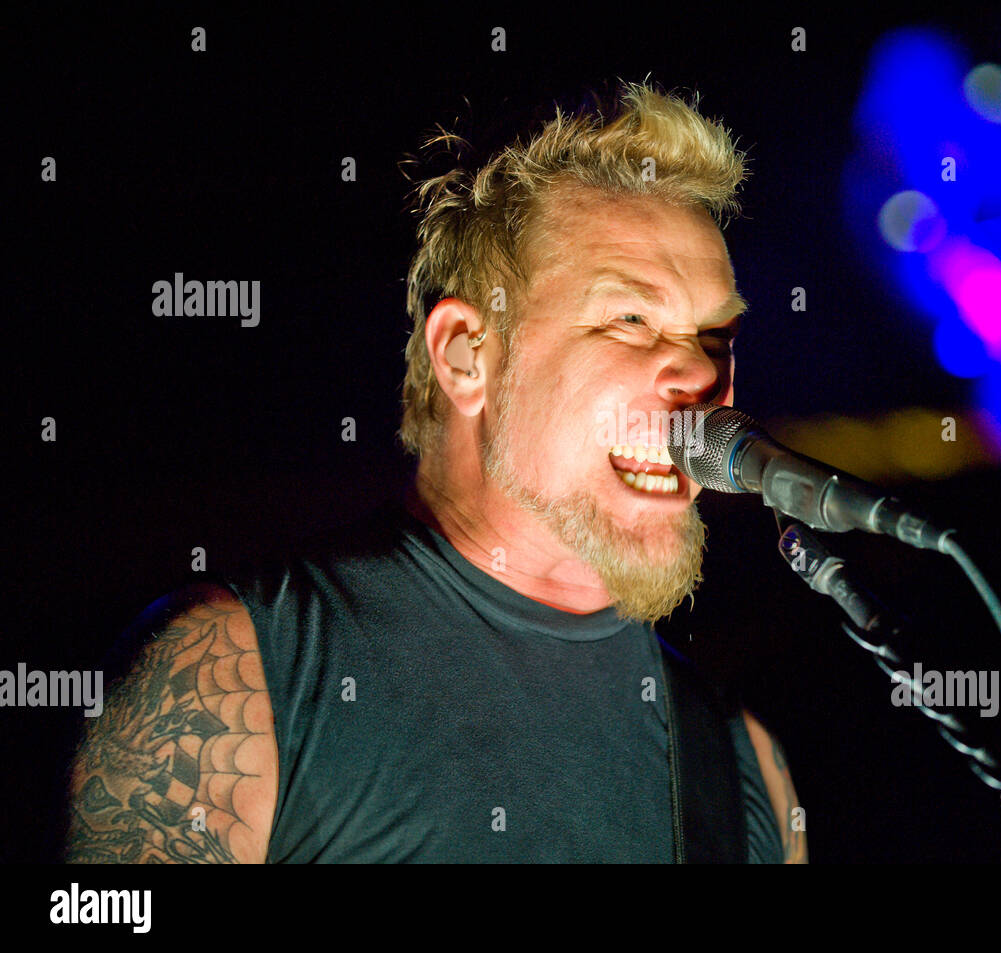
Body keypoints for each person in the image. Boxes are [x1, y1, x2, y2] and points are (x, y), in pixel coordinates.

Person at [64, 81, 807, 863]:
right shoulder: (233, 674)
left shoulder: (745, 765)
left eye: (716, 336)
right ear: (464, 355)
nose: (704, 378)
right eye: (630, 319)